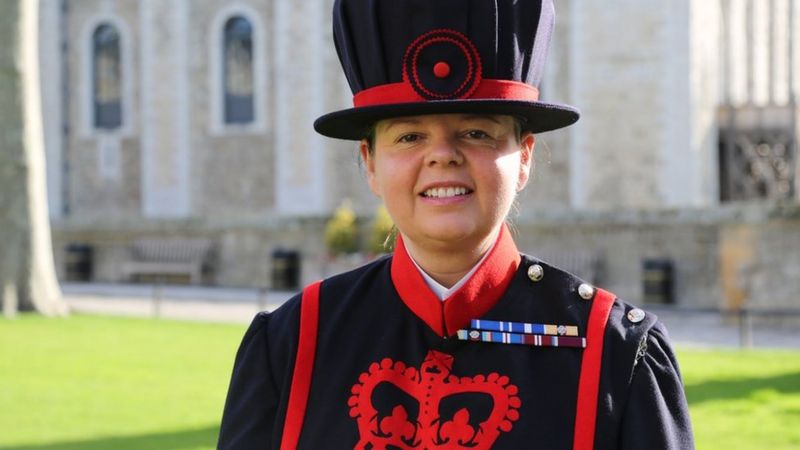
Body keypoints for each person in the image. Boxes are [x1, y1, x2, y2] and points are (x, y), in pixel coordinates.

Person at [217, 0, 695, 448]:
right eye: (409, 136)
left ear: (524, 157)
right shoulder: (292, 345)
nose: (442, 155)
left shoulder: (616, 353)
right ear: (370, 164)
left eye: (476, 132)